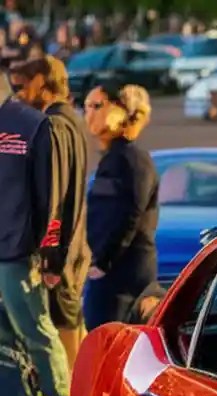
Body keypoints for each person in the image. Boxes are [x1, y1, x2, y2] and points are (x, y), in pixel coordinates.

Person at [10, 57, 88, 368]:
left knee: (59, 338)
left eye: (23, 86)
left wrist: (51, 258)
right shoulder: (70, 120)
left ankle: (68, 395)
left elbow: (53, 196)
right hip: (73, 249)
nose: (19, 95)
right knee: (71, 331)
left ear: (42, 83)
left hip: (59, 256)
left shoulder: (52, 125)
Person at [0, 72, 66, 396]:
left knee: (36, 333)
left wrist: (47, 253)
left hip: (18, 253)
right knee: (5, 338)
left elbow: (48, 196)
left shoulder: (31, 125)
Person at [81, 83, 157, 333]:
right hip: (110, 272)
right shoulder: (113, 158)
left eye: (97, 106)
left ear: (119, 111)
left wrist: (103, 262)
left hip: (123, 276)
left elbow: (129, 214)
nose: (88, 114)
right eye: (86, 107)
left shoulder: (132, 159)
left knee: (108, 340)